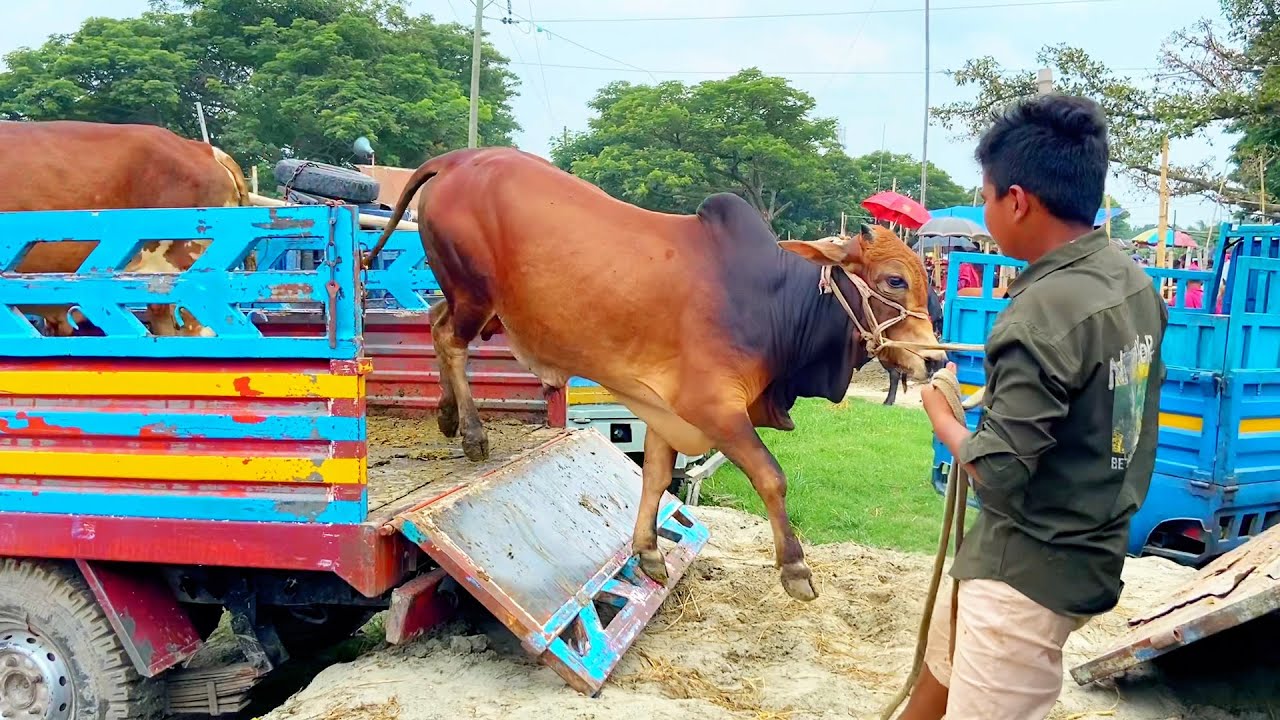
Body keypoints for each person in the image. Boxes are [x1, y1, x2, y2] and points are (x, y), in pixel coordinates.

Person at [902, 94, 1168, 720]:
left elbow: (997, 472)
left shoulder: (1043, 310)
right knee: (935, 679)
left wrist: (947, 422)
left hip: (1026, 570)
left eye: (988, 194)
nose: (988, 208)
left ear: (1016, 200)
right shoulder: (1129, 282)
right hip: (1080, 544)